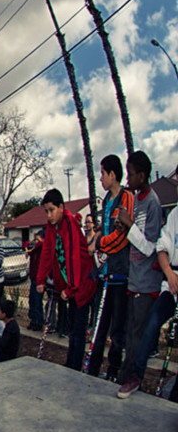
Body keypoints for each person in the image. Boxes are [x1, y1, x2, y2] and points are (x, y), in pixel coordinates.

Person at [115, 151, 165, 397]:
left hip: (147, 283)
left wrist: (130, 225)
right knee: (129, 333)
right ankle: (124, 375)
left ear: (143, 176)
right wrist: (124, 226)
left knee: (137, 336)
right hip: (134, 280)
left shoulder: (153, 203)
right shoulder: (137, 200)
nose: (128, 178)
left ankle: (131, 378)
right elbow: (134, 239)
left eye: (131, 174)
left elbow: (150, 247)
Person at [86, 154, 134, 380]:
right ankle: (93, 367)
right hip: (104, 272)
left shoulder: (127, 197)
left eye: (103, 173)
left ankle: (114, 371)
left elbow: (122, 235)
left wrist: (99, 244)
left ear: (113, 174)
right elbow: (103, 229)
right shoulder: (105, 201)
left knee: (117, 331)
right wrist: (97, 240)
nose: (101, 178)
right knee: (99, 324)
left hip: (120, 272)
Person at [36, 188, 95, 371]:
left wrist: (71, 288)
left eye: (52, 210)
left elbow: (74, 258)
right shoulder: (52, 227)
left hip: (83, 284)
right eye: (46, 211)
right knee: (72, 329)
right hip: (72, 286)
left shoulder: (70, 224)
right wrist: (41, 279)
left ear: (61, 207)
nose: (49, 215)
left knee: (78, 328)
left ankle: (75, 367)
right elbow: (47, 252)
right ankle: (71, 364)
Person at [25, 230, 45, 331]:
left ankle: (39, 322)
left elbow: (41, 243)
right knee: (32, 300)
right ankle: (33, 320)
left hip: (39, 279)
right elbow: (26, 243)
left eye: (37, 240)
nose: (35, 242)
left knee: (37, 301)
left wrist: (33, 247)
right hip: (33, 278)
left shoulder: (41, 249)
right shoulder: (34, 251)